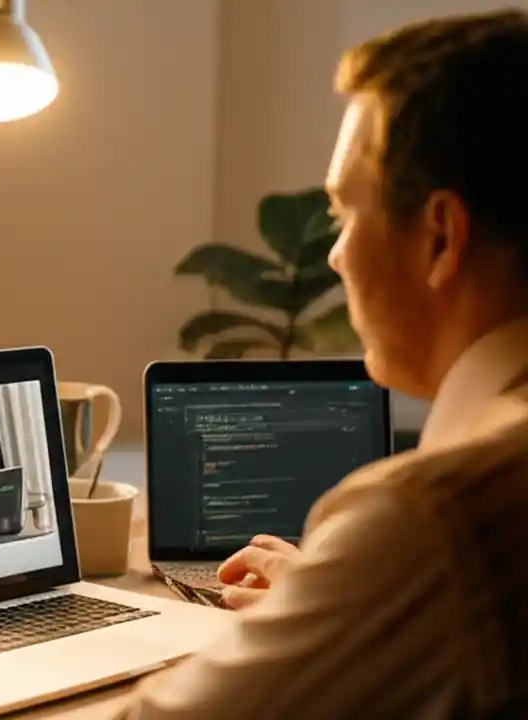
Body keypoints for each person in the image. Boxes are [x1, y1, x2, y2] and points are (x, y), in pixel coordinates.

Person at [113, 9, 528, 718]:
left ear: (440, 238)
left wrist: (377, 572)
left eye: (343, 214)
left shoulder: (430, 522)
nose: (335, 256)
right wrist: (344, 601)